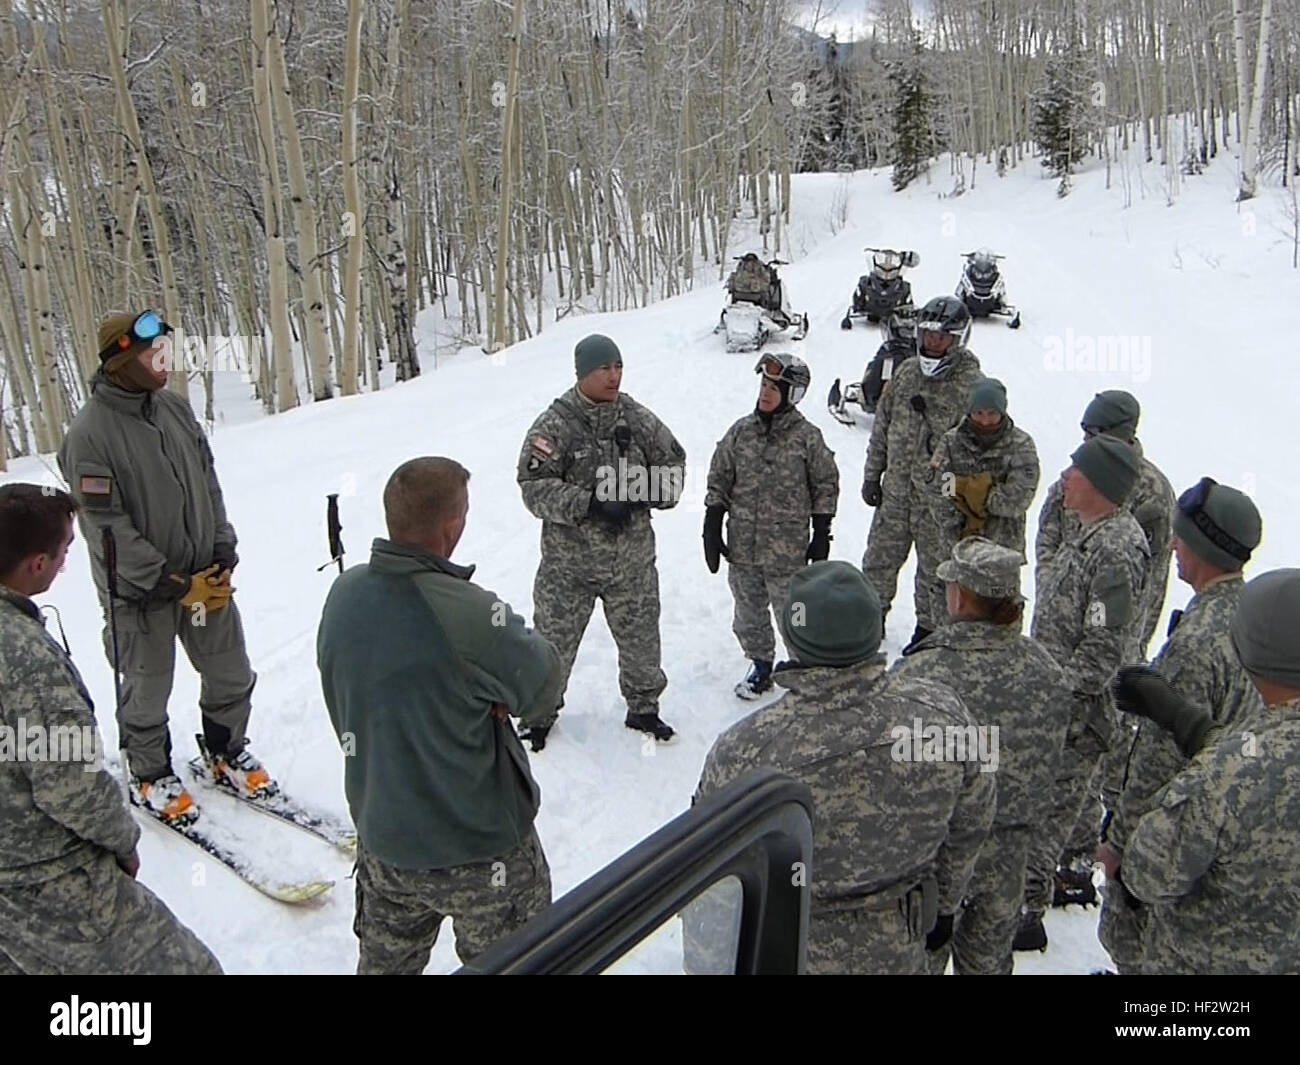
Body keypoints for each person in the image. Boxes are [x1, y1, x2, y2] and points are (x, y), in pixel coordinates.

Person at [317, 458, 561, 974]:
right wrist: (489, 689)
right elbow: (543, 688)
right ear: (452, 528)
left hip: (386, 847)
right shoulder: (472, 614)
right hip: (484, 855)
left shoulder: (343, 595)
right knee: (521, 962)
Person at [694, 561, 995, 974]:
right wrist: (943, 905)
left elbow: (710, 880)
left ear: (791, 635)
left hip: (788, 948)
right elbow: (973, 821)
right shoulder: (943, 716)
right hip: (901, 946)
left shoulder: (744, 752)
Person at [57, 311, 273, 824]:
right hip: (143, 594)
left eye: (165, 353)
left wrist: (222, 551)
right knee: (148, 690)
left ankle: (224, 753)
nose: (164, 364)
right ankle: (150, 773)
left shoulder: (175, 409)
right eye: (151, 356)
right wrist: (172, 582)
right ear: (120, 363)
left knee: (230, 673)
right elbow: (106, 526)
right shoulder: (89, 436)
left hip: (205, 583)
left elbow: (209, 485)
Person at [0, 484, 220, 975]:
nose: (64, 564)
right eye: (64, 552)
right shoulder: (26, 661)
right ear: (37, 563)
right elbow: (69, 788)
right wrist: (122, 839)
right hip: (45, 879)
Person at [1097, 479, 1263, 973]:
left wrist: (1122, 843)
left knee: (1146, 949)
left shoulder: (1196, 646)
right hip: (1232, 827)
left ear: (1207, 549)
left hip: (1176, 830)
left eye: (1182, 538)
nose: (1172, 546)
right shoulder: (1251, 616)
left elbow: (1158, 755)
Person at [891, 538, 1069, 974]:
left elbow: (899, 780)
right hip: (1008, 857)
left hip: (934, 861)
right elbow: (1056, 768)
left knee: (921, 963)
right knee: (988, 965)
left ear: (960, 596)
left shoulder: (919, 674)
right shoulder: (1047, 670)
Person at [1112, 568, 1300, 974]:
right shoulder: (1244, 759)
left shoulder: (1225, 775)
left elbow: (1146, 873)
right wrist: (1189, 722)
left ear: (1249, 653)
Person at [516, 334, 686, 749]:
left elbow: (675, 466)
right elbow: (533, 486)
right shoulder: (555, 425)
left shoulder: (637, 418)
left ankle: (644, 708)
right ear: (582, 374)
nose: (613, 377)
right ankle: (539, 716)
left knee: (642, 641)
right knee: (552, 646)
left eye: (618, 367)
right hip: (568, 568)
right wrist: (589, 504)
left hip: (631, 564)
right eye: (603, 369)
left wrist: (640, 490)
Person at [1017, 435, 1148, 952]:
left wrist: (1057, 695)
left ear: (1100, 486)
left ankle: (1023, 916)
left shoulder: (1115, 549)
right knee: (1058, 803)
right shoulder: (1091, 533)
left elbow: (1102, 647)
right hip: (1059, 698)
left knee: (1044, 809)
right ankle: (1059, 877)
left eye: (1075, 473)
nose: (1065, 479)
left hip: (1074, 711)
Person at [704, 352, 839, 699]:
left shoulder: (807, 437)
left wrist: (822, 532)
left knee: (795, 614)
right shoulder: (740, 432)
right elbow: (719, 477)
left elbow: (825, 483)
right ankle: (761, 665)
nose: (765, 393)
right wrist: (713, 520)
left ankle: (804, 667)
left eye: (774, 388)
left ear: (791, 395)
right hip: (743, 549)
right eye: (763, 385)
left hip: (787, 554)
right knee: (748, 613)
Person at [862, 295, 984, 650]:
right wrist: (873, 474)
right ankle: (869, 623)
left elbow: (981, 448)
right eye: (928, 335)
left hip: (940, 505)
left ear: (958, 340)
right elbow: (882, 428)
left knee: (935, 574)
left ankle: (929, 636)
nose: (934, 343)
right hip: (896, 495)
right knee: (878, 562)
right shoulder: (906, 373)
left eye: (943, 337)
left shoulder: (973, 385)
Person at [1036, 390, 1174, 655]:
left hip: (1108, 642)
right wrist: (1052, 587)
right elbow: (1048, 535)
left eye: (1096, 433)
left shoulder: (1151, 491)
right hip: (1056, 632)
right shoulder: (1076, 473)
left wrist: (1130, 641)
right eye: (1086, 433)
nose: (1088, 440)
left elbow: (1151, 578)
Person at [923, 377, 1039, 630]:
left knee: (1002, 618)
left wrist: (973, 493)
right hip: (957, 547)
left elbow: (1017, 500)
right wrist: (956, 519)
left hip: (1001, 552)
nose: (985, 420)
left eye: (992, 413)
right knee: (949, 617)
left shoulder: (1020, 446)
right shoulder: (951, 443)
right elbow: (938, 489)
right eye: (978, 413)